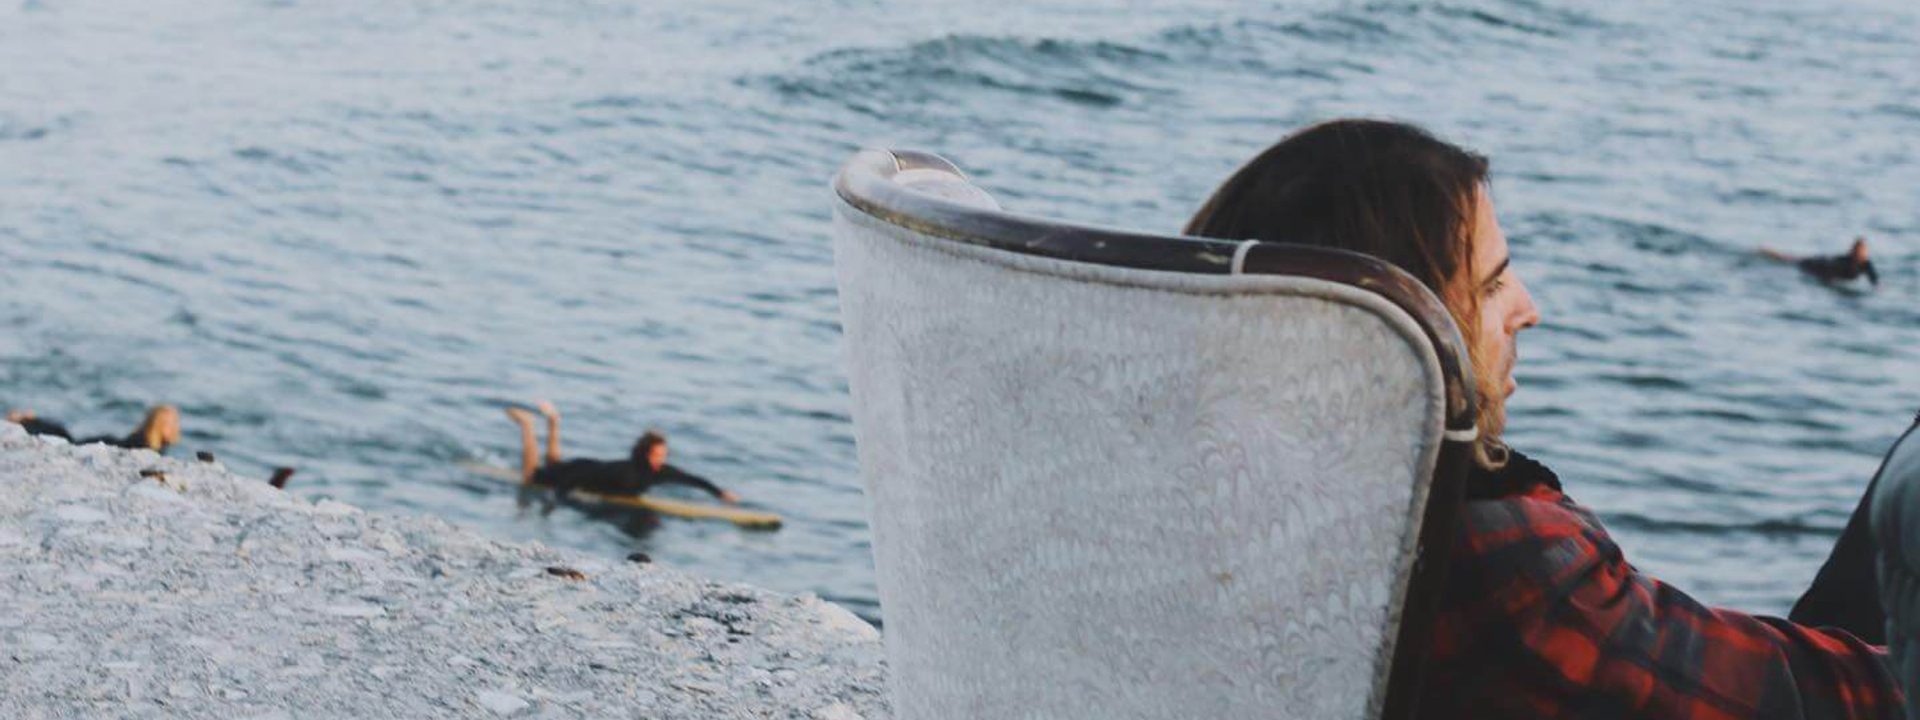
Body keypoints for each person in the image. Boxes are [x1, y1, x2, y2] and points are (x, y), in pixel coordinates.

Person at [1187, 119, 1903, 718]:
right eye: (1493, 283)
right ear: (1393, 331)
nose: (1530, 308)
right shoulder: (1473, 555)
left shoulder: (1186, 497)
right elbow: (1785, 699)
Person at [503, 400, 741, 504]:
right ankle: (527, 425)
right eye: (657, 455)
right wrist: (556, 498)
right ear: (644, 454)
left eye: (663, 455)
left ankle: (554, 419)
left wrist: (719, 493)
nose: (662, 459)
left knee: (555, 462)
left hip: (585, 466)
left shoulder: (660, 471)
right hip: (579, 472)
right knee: (532, 476)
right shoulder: (627, 473)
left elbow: (690, 479)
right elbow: (579, 479)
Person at [5, 404, 181, 453]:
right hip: (103, 444)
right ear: (157, 425)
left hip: (107, 442)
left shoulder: (150, 443)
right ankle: (26, 421)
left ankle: (28, 420)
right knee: (65, 440)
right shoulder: (147, 445)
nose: (174, 428)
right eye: (170, 424)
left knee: (65, 437)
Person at [1762, 237, 1880, 286]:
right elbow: (1830, 269)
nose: (1860, 254)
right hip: (1818, 266)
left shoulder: (1866, 264)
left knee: (1793, 261)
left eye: (1862, 251)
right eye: (1857, 251)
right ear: (1852, 251)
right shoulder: (1845, 260)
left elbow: (1874, 280)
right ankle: (1770, 253)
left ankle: (1771, 252)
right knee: (1793, 261)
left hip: (1824, 267)